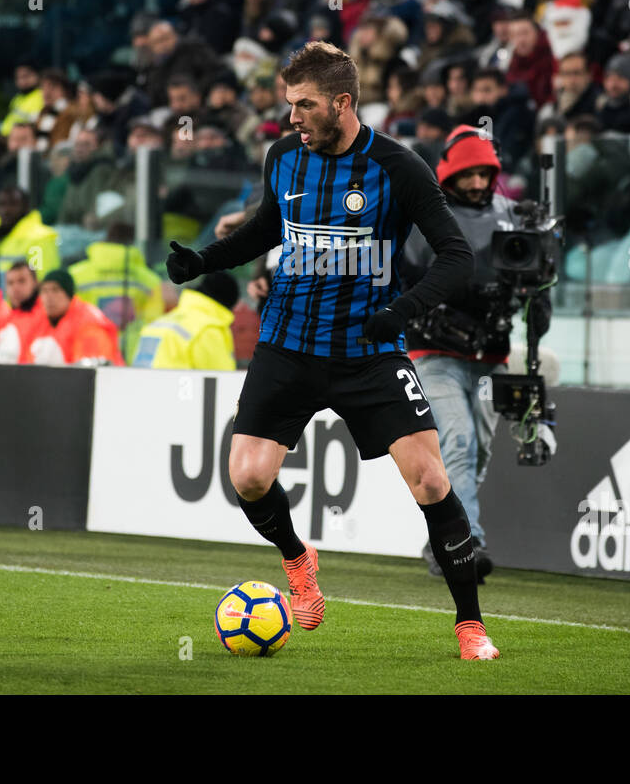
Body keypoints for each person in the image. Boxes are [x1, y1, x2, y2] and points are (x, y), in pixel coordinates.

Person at [164, 41, 496, 660]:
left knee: (429, 479)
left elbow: (457, 256)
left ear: (342, 104)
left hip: (368, 351)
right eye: (289, 104)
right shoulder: (284, 156)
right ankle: (298, 561)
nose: (291, 117)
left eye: (304, 105)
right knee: (248, 476)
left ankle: (470, 627)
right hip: (287, 343)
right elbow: (267, 229)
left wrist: (402, 310)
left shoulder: (400, 167)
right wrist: (204, 262)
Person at [400, 125, 550, 583]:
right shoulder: (425, 215)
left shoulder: (514, 217)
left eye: (486, 173)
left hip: (491, 355)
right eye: (470, 174)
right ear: (451, 174)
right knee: (459, 441)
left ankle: (441, 538)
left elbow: (538, 301)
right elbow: (405, 276)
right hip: (435, 352)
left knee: (479, 448)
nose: (479, 183)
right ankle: (468, 542)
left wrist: (537, 284)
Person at [69, 222, 165, 363]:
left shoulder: (76, 275)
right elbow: (154, 324)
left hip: (89, 352)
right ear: (133, 242)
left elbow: (70, 319)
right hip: (134, 355)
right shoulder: (151, 281)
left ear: (106, 239)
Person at [131, 271, 239, 370]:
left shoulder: (156, 325)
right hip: (179, 390)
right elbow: (221, 379)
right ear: (228, 304)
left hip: (143, 388)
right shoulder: (208, 329)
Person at [28, 269, 123, 366]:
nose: (48, 297)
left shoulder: (88, 325)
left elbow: (87, 373)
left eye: (55, 290)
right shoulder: (41, 321)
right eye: (44, 291)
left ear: (69, 294)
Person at [0, 185, 61, 280]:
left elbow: (40, 280)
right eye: (2, 204)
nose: (6, 210)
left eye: (13, 204)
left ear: (26, 207)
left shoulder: (39, 238)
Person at [0, 260, 47, 364]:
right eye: (10, 283)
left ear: (35, 283)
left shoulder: (46, 315)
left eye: (22, 281)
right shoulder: (5, 319)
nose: (15, 288)